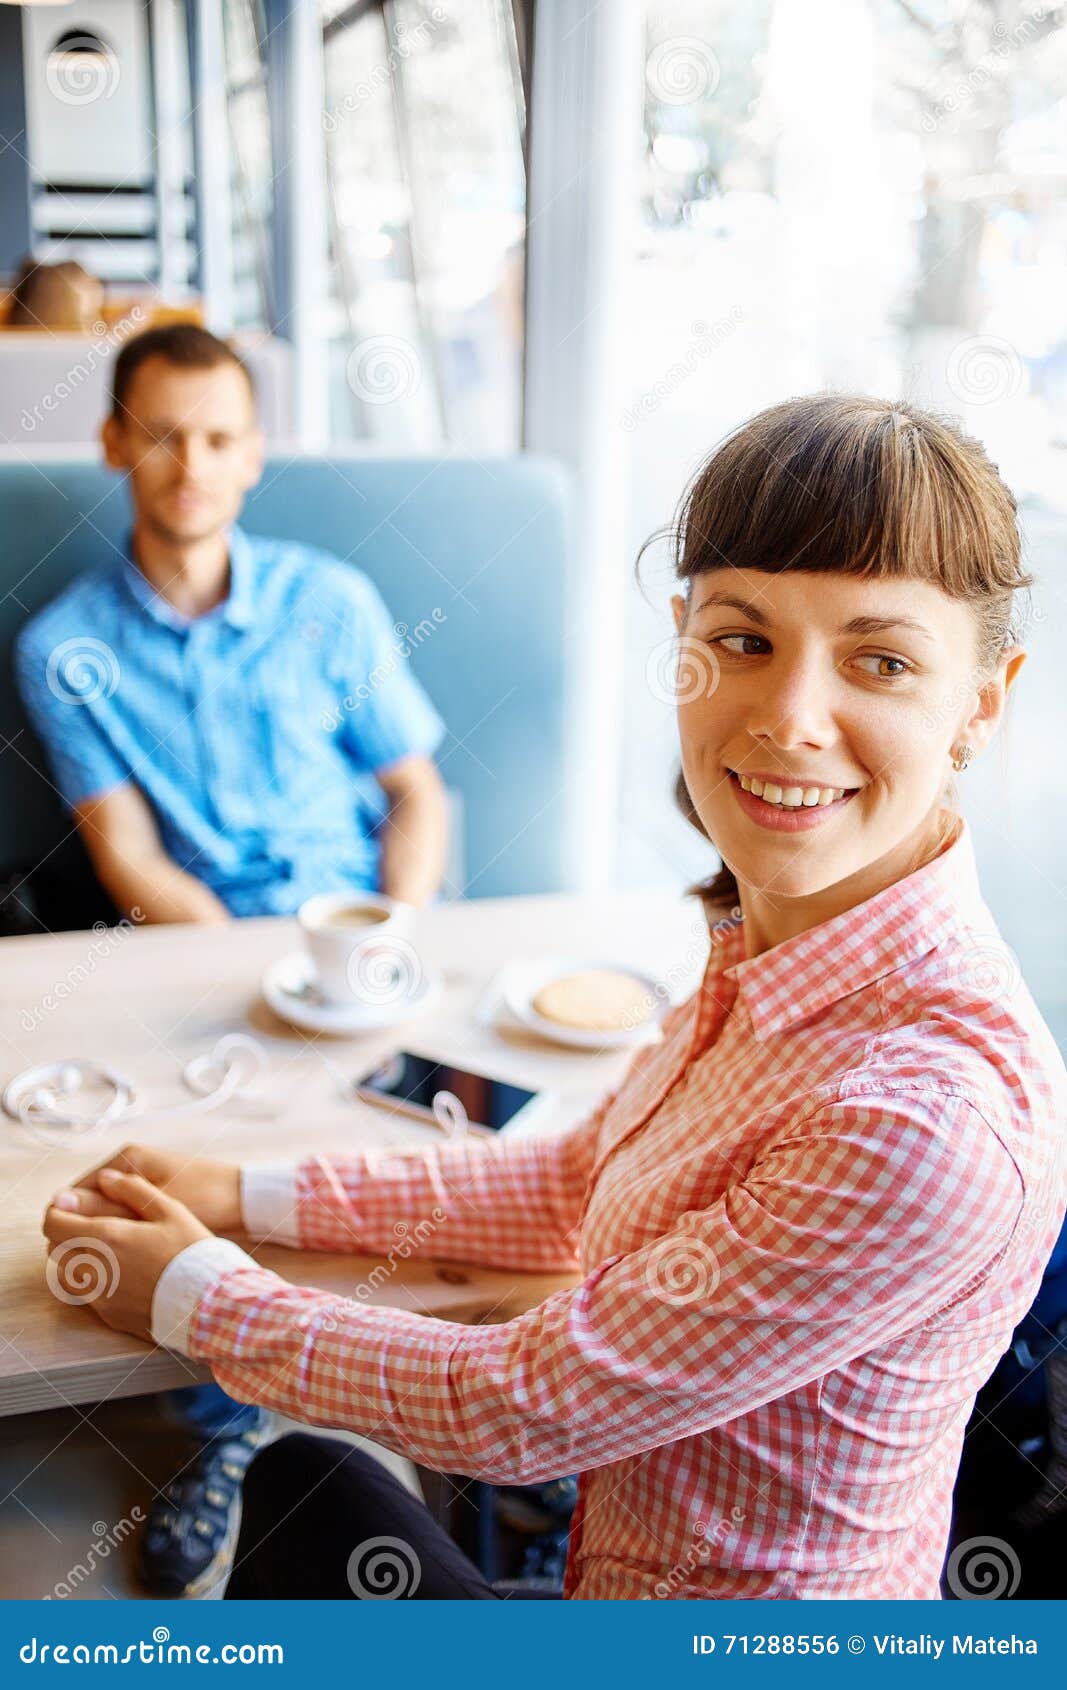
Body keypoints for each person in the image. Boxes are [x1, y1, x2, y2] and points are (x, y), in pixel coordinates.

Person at [42, 394, 1067, 1599]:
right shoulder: (775, 945)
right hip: (603, 1572)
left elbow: (519, 1407)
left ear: (979, 702)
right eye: (743, 640)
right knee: (310, 1486)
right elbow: (575, 1181)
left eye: (878, 661)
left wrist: (191, 1295)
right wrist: (249, 1193)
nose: (788, 720)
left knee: (309, 1502)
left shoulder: (922, 1116)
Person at [21, 323, 448, 1598]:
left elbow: (418, 793)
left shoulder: (329, 601)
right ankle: (227, 1430)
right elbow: (129, 857)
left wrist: (386, 936)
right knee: (188, 1168)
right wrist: (256, 976)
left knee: (452, 1151)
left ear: (254, 452)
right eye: (163, 436)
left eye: (218, 437)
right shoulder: (64, 646)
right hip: (202, 949)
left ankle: (476, 1422)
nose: (191, 464)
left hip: (364, 937)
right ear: (115, 443)